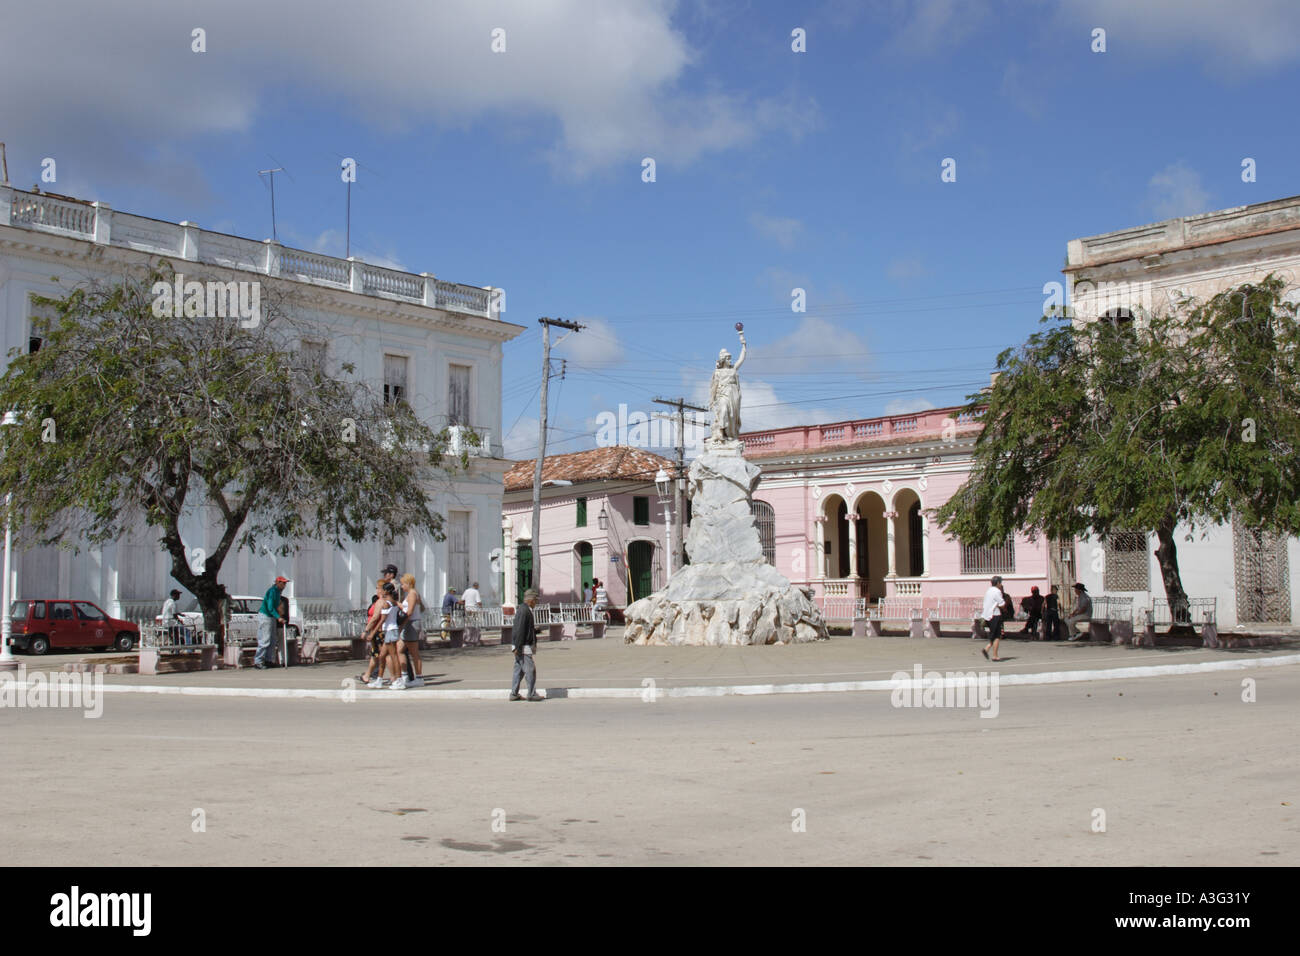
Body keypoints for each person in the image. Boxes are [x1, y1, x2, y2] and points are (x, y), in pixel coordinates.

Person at [510, 588, 542, 702]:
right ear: (530, 600)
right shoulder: (525, 611)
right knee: (530, 670)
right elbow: (519, 630)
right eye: (535, 600)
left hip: (520, 646)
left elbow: (523, 629)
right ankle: (531, 693)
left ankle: (514, 693)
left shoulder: (524, 610)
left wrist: (534, 630)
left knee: (519, 671)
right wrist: (518, 647)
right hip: (523, 647)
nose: (536, 603)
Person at [255, 575, 289, 669]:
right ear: (278, 582)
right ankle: (258, 661)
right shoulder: (272, 591)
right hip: (266, 616)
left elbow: (276, 606)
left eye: (285, 583)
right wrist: (278, 617)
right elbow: (270, 607)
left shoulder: (278, 592)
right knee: (264, 639)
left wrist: (279, 616)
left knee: (273, 640)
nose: (284, 585)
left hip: (272, 616)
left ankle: (269, 660)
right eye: (283, 583)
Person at [398, 573, 425, 687]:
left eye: (403, 584)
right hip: (409, 624)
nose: (402, 586)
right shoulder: (410, 594)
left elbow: (409, 611)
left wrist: (401, 625)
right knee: (399, 650)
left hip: (411, 624)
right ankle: (405, 676)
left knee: (414, 653)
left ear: (408, 583)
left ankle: (418, 677)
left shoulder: (413, 594)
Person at [981, 574, 1006, 662]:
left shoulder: (988, 590)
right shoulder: (997, 591)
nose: (1001, 585)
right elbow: (1002, 604)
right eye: (1000, 583)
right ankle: (994, 655)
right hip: (995, 615)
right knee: (997, 635)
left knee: (994, 634)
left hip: (987, 615)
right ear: (998, 583)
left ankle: (988, 649)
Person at [461, 581, 483, 647]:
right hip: (474, 610)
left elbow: (462, 600)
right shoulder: (476, 592)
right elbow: (479, 602)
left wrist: (466, 605)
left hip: (467, 610)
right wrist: (481, 608)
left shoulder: (466, 591)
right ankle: (475, 641)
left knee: (467, 626)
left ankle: (465, 641)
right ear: (476, 586)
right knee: (475, 626)